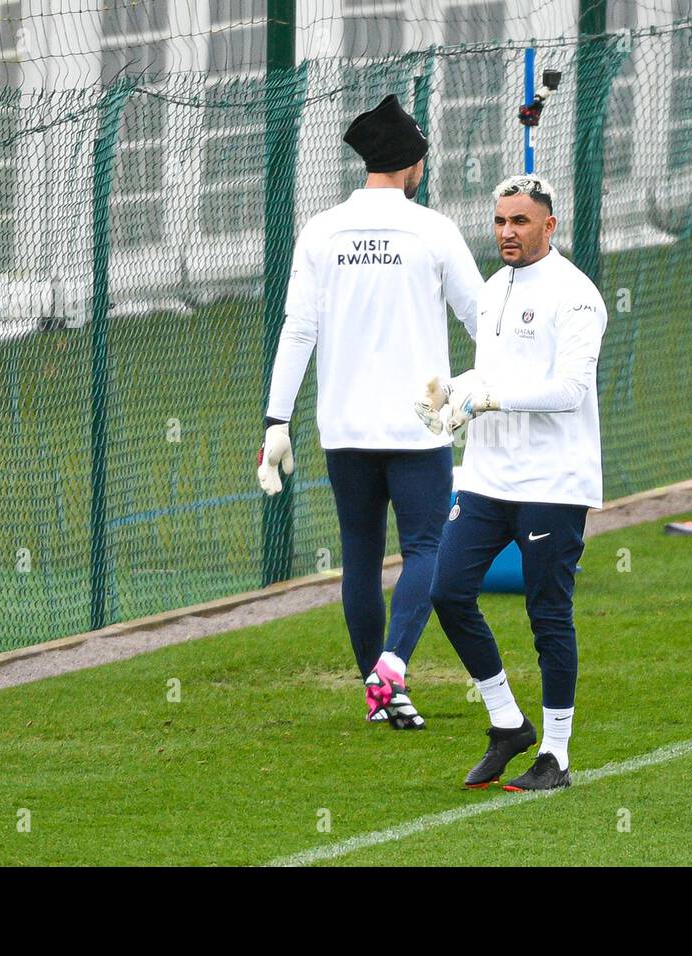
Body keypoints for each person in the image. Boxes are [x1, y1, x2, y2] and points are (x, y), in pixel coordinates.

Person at [257, 94, 483, 730]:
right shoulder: (433, 229)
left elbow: (296, 329)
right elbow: (479, 315)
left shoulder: (322, 230)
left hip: (346, 427)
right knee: (427, 545)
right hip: (418, 425)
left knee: (360, 555)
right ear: (410, 163)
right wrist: (483, 382)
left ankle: (380, 693)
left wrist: (277, 420)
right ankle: (392, 667)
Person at [416, 173, 607, 791]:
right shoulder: (494, 287)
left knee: (548, 612)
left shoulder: (577, 296)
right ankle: (506, 721)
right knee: (447, 590)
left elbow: (568, 389)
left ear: (549, 226)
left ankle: (555, 754)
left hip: (553, 481)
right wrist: (454, 392)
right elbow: (491, 370)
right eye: (500, 221)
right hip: (488, 477)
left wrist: (491, 398)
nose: (506, 232)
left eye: (520, 222)